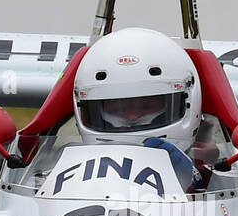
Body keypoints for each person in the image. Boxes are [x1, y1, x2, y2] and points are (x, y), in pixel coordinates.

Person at [72, 26, 212, 192]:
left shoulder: (210, 175)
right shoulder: (66, 168)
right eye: (117, 109)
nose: (132, 116)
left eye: (146, 106)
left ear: (189, 101)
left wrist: (193, 181)